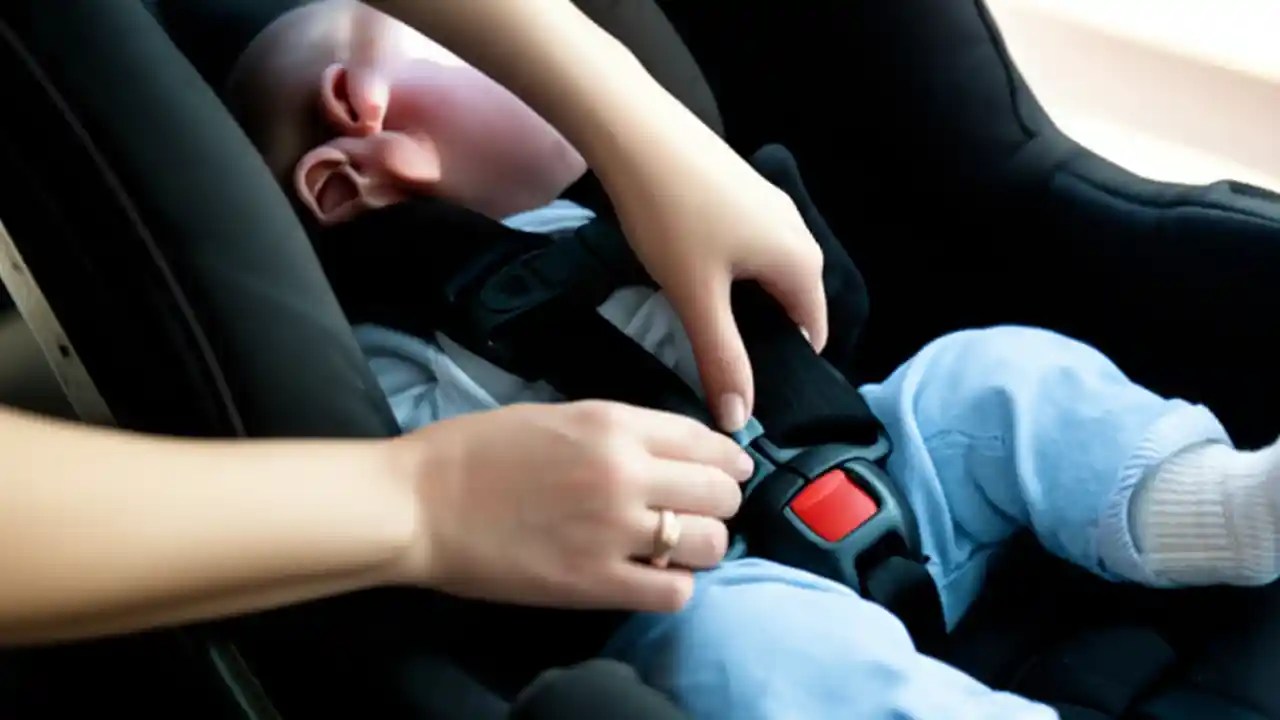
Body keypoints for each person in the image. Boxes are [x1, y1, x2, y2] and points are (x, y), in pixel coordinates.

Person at [205, 2, 1280, 718]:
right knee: (735, 653)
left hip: (878, 462)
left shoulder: (620, 217)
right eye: (454, 49)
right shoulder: (380, 363)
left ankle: (1214, 509)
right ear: (362, 135)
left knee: (990, 374)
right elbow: (464, 536)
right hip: (704, 582)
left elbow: (823, 328)